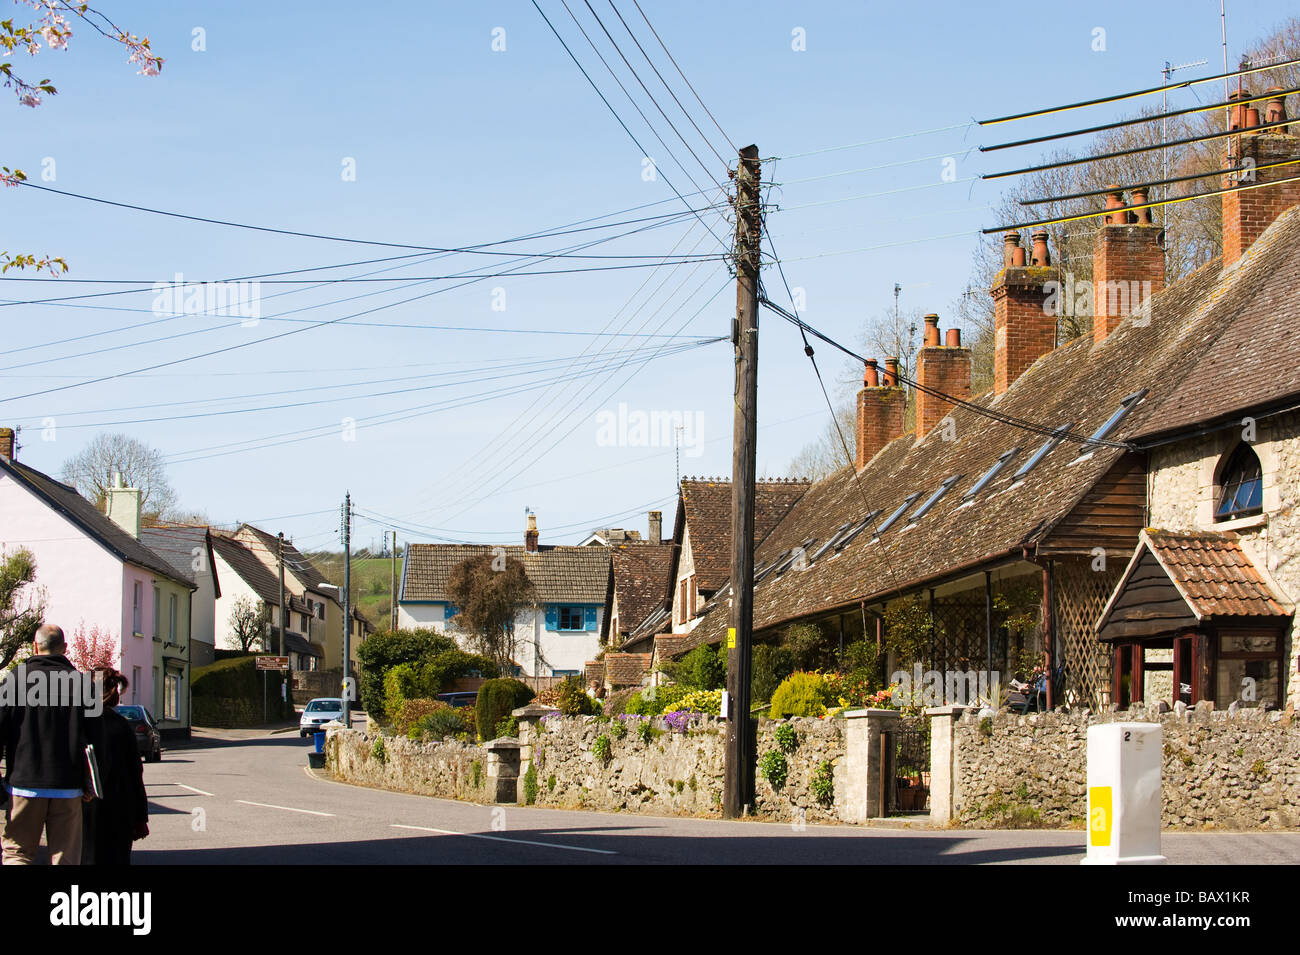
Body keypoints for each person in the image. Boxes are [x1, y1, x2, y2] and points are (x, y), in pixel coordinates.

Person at [0, 624, 95, 865]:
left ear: (35, 646)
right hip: (68, 785)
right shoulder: (82, 684)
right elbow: (96, 738)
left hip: (24, 783)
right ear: (64, 648)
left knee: (17, 852)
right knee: (66, 857)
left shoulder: (16, 680)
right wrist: (90, 782)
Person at [81, 668, 148, 864]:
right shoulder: (121, 725)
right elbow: (136, 773)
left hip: (85, 806)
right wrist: (140, 817)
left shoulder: (79, 722)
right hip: (120, 807)